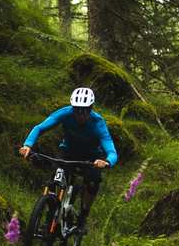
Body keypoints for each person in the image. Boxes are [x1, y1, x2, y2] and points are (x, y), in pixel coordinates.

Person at [18, 87, 118, 232]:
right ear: (73, 108)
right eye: (77, 110)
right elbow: (40, 128)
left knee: (93, 181)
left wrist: (107, 162)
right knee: (55, 178)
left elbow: (111, 151)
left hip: (91, 157)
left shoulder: (98, 123)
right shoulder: (65, 114)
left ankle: (83, 216)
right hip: (68, 152)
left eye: (85, 110)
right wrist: (27, 145)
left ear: (91, 109)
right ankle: (49, 216)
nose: (81, 115)